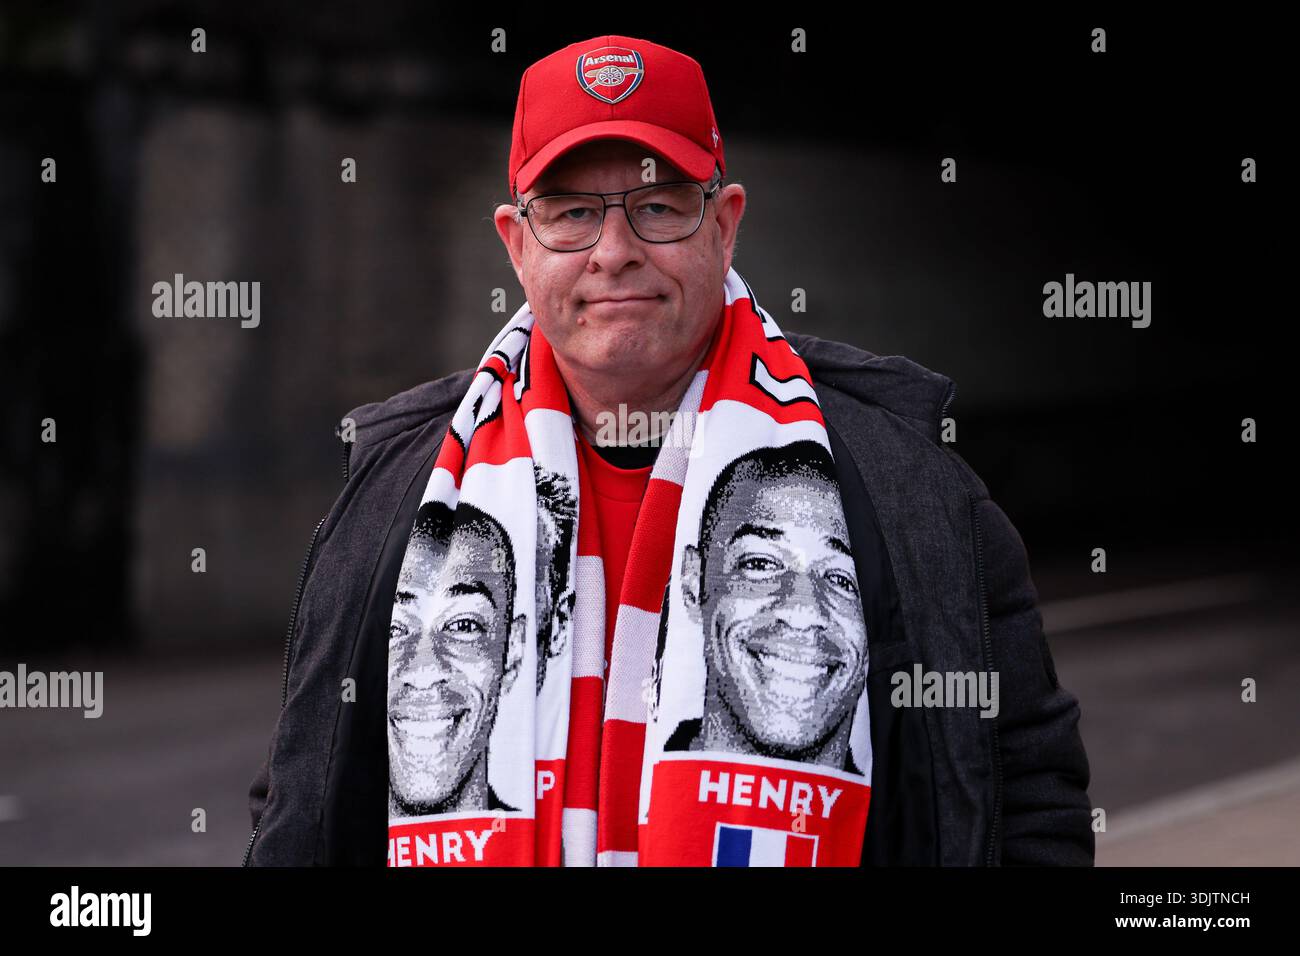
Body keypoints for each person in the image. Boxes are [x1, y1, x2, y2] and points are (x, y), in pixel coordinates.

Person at [245, 34, 1093, 867]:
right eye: (572, 212)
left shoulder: (909, 491)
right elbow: (304, 811)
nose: (615, 252)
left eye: (657, 205)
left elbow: (1026, 799)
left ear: (724, 225)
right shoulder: (397, 501)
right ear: (516, 243)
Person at [664, 441, 867, 775]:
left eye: (841, 579)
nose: (803, 612)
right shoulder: (620, 797)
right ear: (693, 582)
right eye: (760, 563)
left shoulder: (912, 819)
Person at [387, 499, 525, 817]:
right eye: (395, 627)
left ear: (513, 648)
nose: (422, 672)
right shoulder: (326, 835)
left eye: (463, 626)